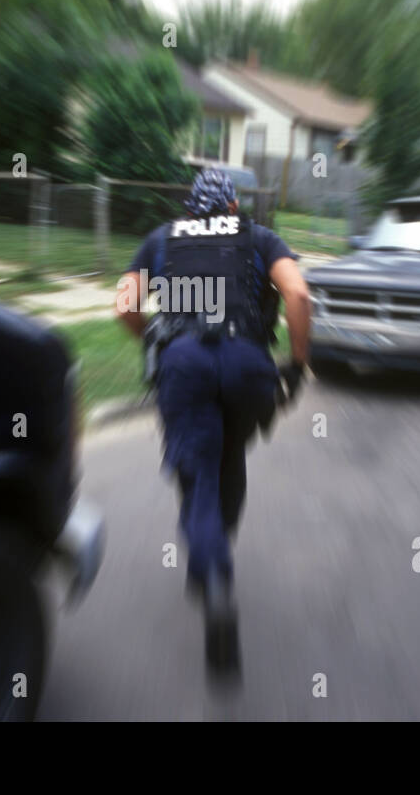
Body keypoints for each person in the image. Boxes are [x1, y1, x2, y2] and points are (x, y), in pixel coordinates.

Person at [115, 167, 311, 676]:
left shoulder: (163, 239)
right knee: (229, 457)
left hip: (185, 365)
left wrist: (154, 340)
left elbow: (125, 304)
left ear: (189, 211)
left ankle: (212, 569)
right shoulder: (260, 237)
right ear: (232, 209)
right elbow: (299, 296)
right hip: (248, 365)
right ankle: (217, 543)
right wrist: (297, 362)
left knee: (197, 471)